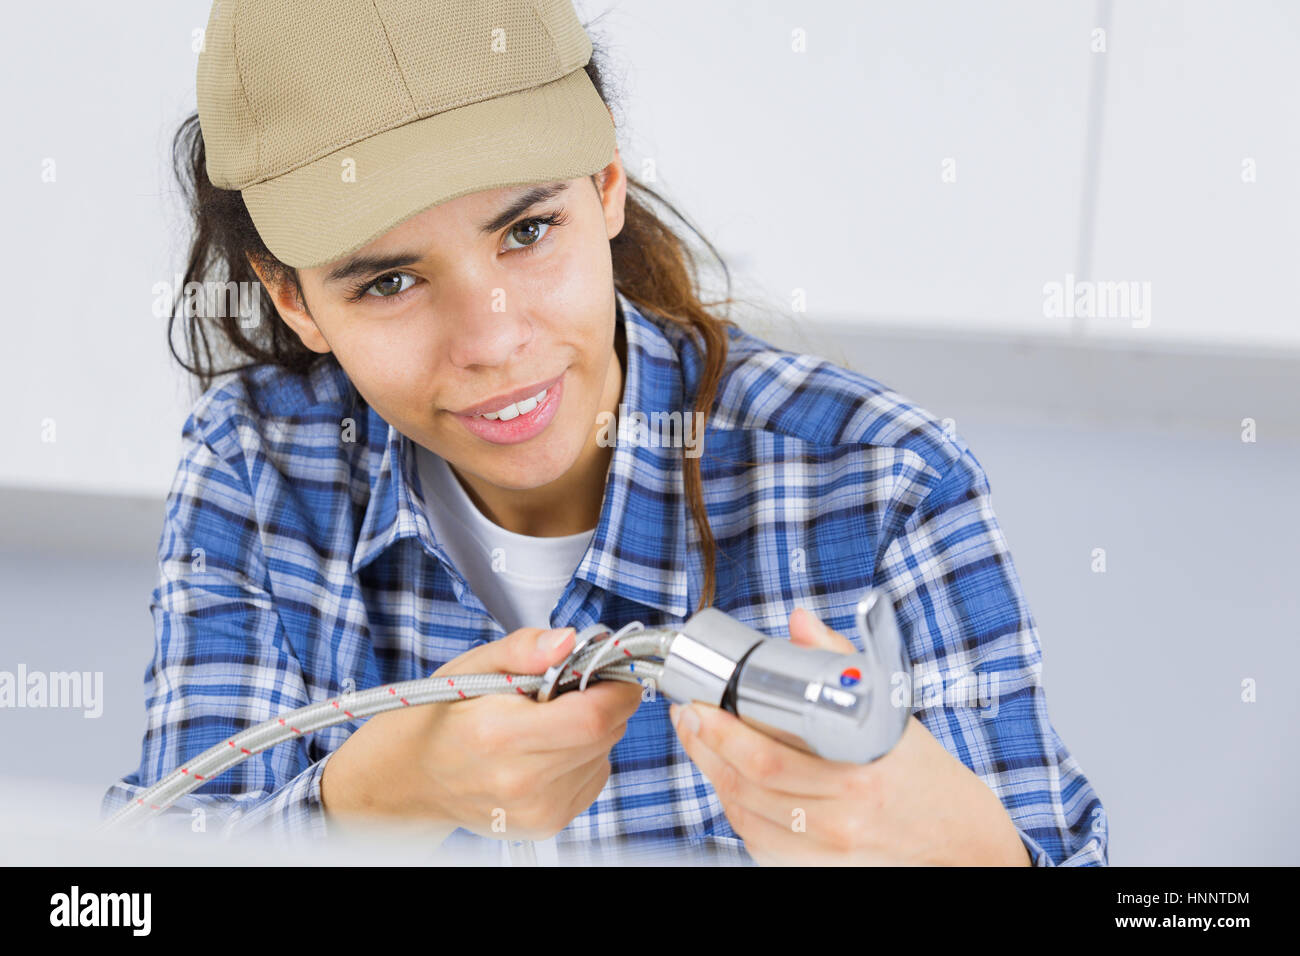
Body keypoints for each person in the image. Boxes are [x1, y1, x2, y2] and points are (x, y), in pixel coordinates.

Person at [101, 0, 1107, 867]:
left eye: (526, 231)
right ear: (295, 301)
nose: (492, 339)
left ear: (608, 183)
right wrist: (384, 788)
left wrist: (972, 852)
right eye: (389, 280)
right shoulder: (256, 468)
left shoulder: (882, 480)